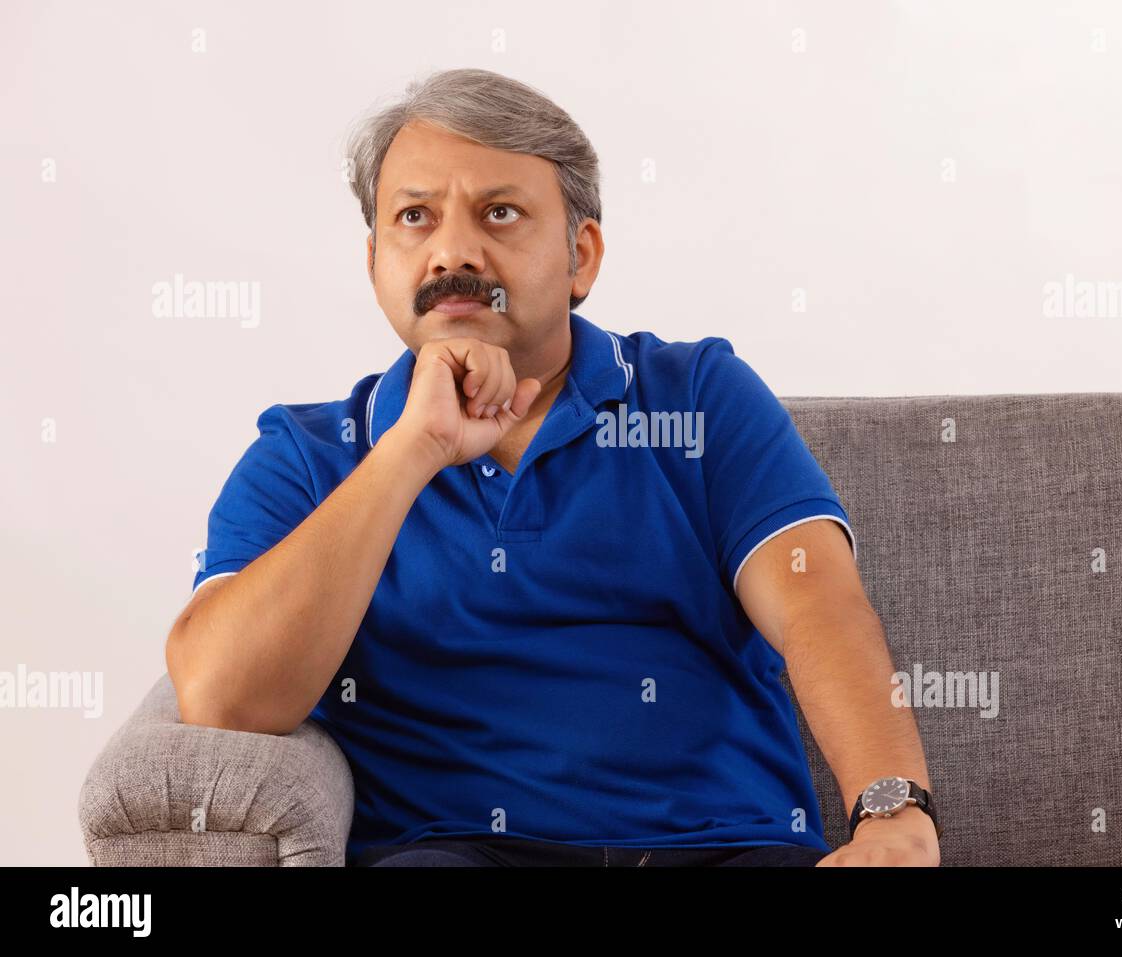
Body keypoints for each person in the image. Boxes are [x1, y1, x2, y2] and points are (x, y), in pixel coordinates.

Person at [165, 68, 940, 868]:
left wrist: (893, 813)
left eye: (499, 213)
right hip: (447, 852)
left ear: (581, 255)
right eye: (414, 218)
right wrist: (411, 449)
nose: (451, 251)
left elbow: (819, 604)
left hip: (719, 845)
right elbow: (224, 697)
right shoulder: (306, 453)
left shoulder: (700, 396)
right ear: (374, 264)